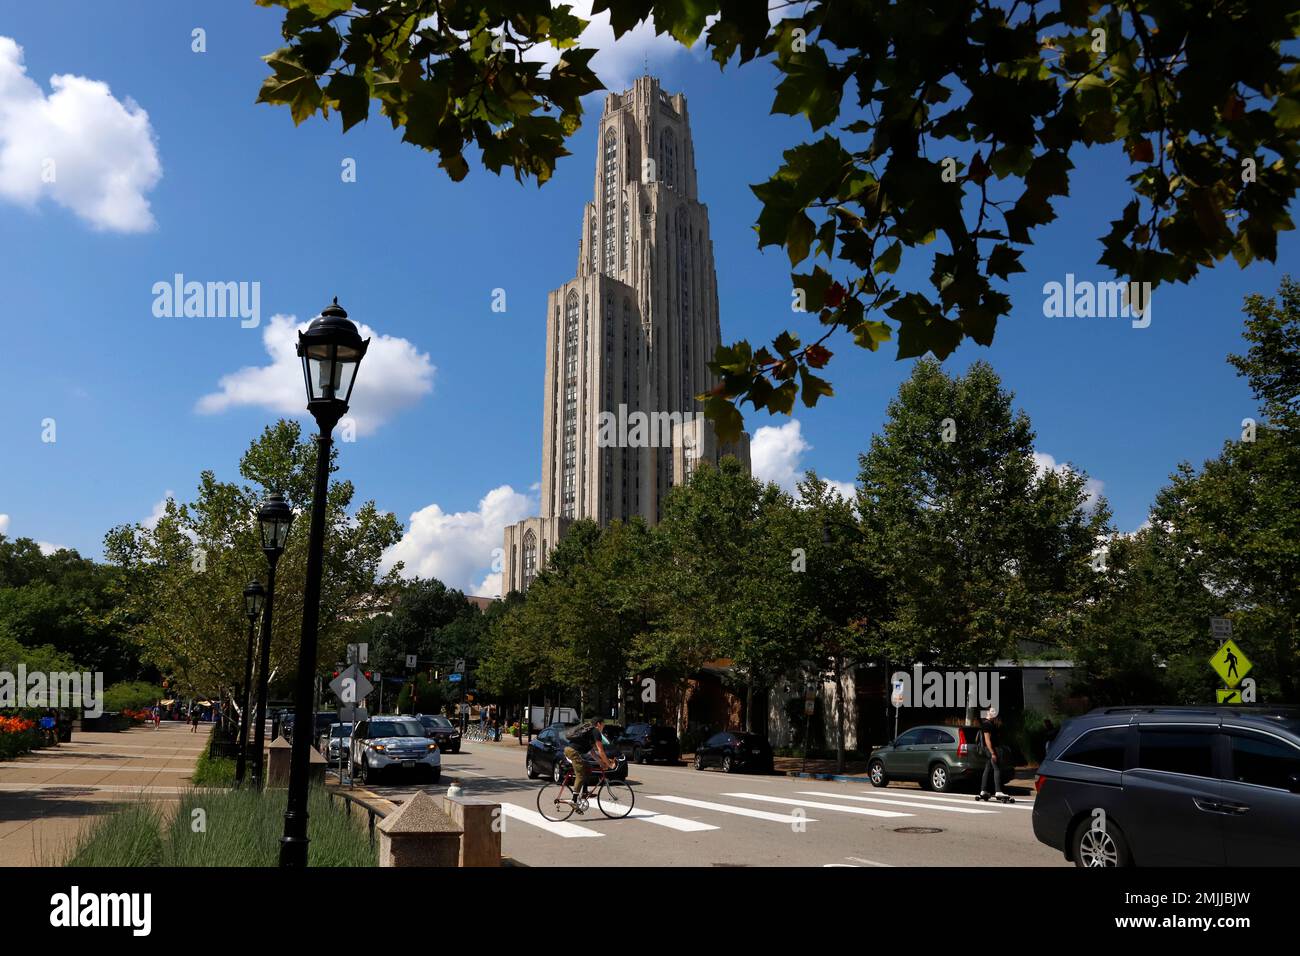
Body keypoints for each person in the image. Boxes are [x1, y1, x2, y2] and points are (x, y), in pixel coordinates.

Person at [563, 717, 614, 807]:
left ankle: (584, 792)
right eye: (603, 725)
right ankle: (574, 800)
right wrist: (609, 764)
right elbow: (601, 751)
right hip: (573, 752)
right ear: (599, 724)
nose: (603, 727)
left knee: (587, 766)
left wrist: (601, 763)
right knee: (580, 774)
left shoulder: (590, 733)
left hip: (570, 751)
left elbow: (593, 753)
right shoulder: (596, 732)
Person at [979, 707, 1009, 800]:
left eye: (995, 711)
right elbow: (987, 740)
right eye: (992, 711)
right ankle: (998, 791)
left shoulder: (991, 724)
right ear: (988, 712)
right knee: (997, 768)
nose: (994, 713)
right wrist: (993, 753)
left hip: (990, 750)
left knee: (987, 768)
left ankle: (983, 790)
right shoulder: (986, 724)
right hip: (991, 750)